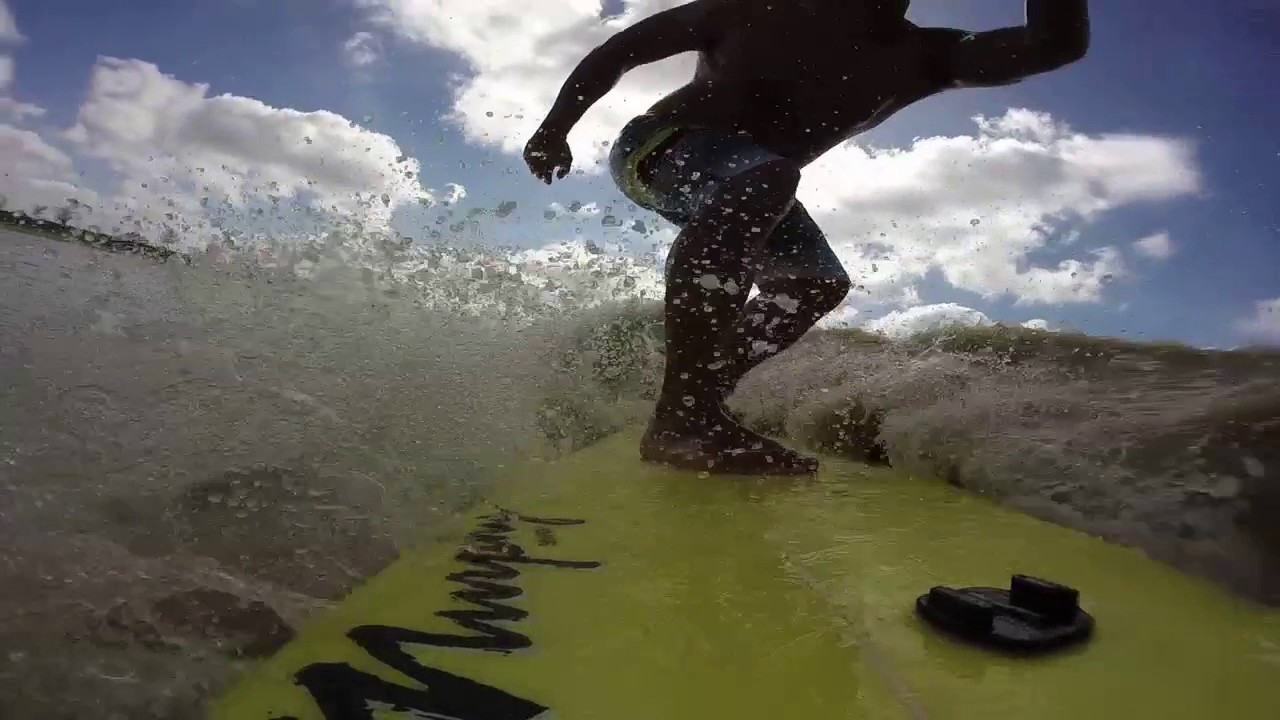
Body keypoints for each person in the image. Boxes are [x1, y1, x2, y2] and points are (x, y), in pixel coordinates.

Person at [524, 0, 1090, 475]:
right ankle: (683, 416)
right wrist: (554, 129)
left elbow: (1054, 44)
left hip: (752, 182)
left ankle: (702, 396)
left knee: (815, 283)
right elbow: (620, 50)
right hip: (663, 146)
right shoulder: (753, 7)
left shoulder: (928, 55)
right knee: (768, 177)